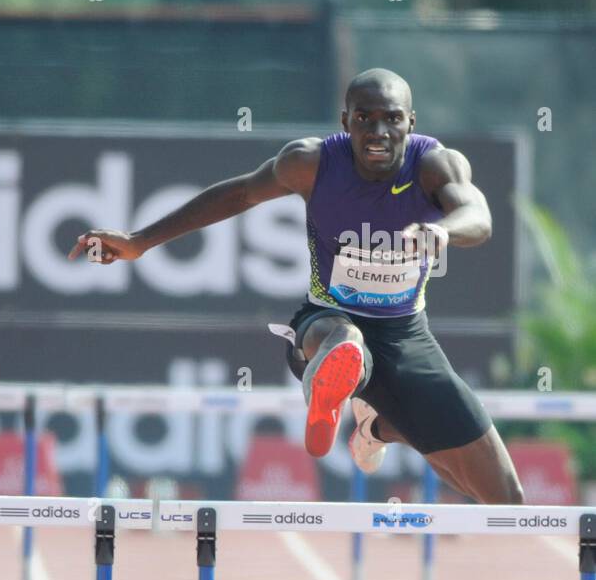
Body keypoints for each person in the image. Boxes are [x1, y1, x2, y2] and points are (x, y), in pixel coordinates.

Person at [69, 68, 523, 504]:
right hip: (325, 321)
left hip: (406, 337)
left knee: (504, 497)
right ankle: (335, 384)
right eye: (364, 119)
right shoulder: (310, 162)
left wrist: (444, 231)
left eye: (392, 118)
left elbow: (478, 217)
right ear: (345, 122)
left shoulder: (434, 165)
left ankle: (378, 427)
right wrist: (139, 242)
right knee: (345, 340)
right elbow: (240, 193)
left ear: (411, 122)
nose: (378, 131)